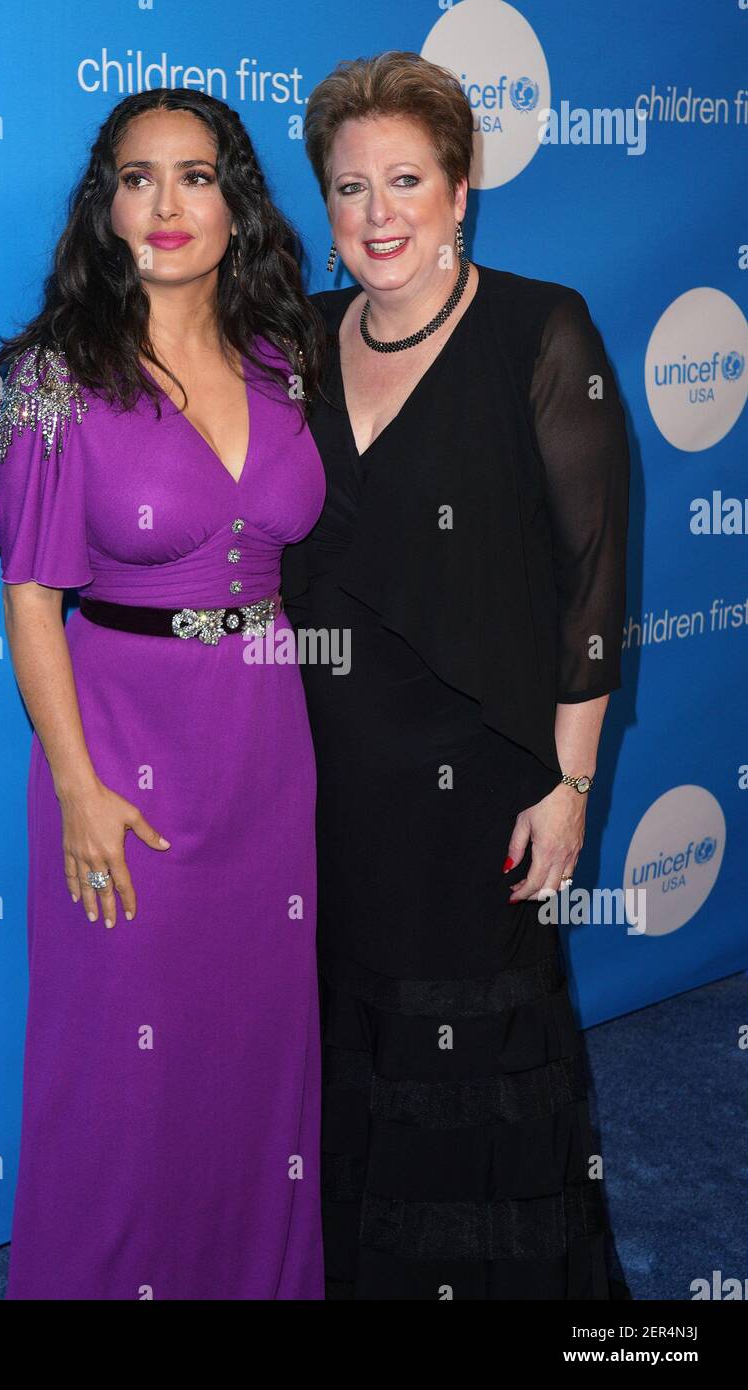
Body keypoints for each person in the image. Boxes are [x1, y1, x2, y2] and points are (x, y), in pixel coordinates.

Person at [281, 51, 632, 1300]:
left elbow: (594, 578)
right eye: (348, 187)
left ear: (462, 186)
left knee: (477, 1059)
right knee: (354, 1048)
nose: (377, 215)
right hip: (324, 777)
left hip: (483, 779)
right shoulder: (303, 339)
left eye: (407, 181)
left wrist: (568, 782)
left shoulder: (542, 328)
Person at [0, 88, 329, 1300]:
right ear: (106, 204)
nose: (168, 203)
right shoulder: (45, 376)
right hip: (122, 753)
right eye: (139, 177)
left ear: (236, 205)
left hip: (268, 746)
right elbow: (33, 602)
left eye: (197, 176)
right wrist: (78, 788)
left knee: (257, 1059)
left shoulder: (289, 357)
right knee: (119, 1075)